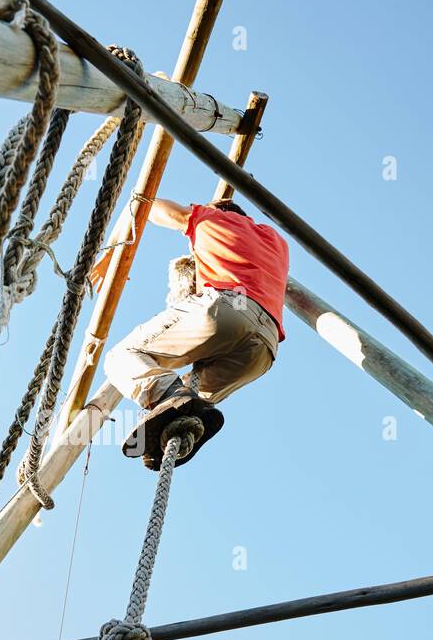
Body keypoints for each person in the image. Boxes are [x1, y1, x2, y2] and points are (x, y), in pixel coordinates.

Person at [93, 195, 289, 469]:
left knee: (121, 357)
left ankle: (168, 397)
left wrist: (114, 250)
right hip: (264, 347)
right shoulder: (276, 242)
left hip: (227, 309)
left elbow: (148, 204)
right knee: (190, 398)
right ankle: (177, 427)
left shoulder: (212, 218)